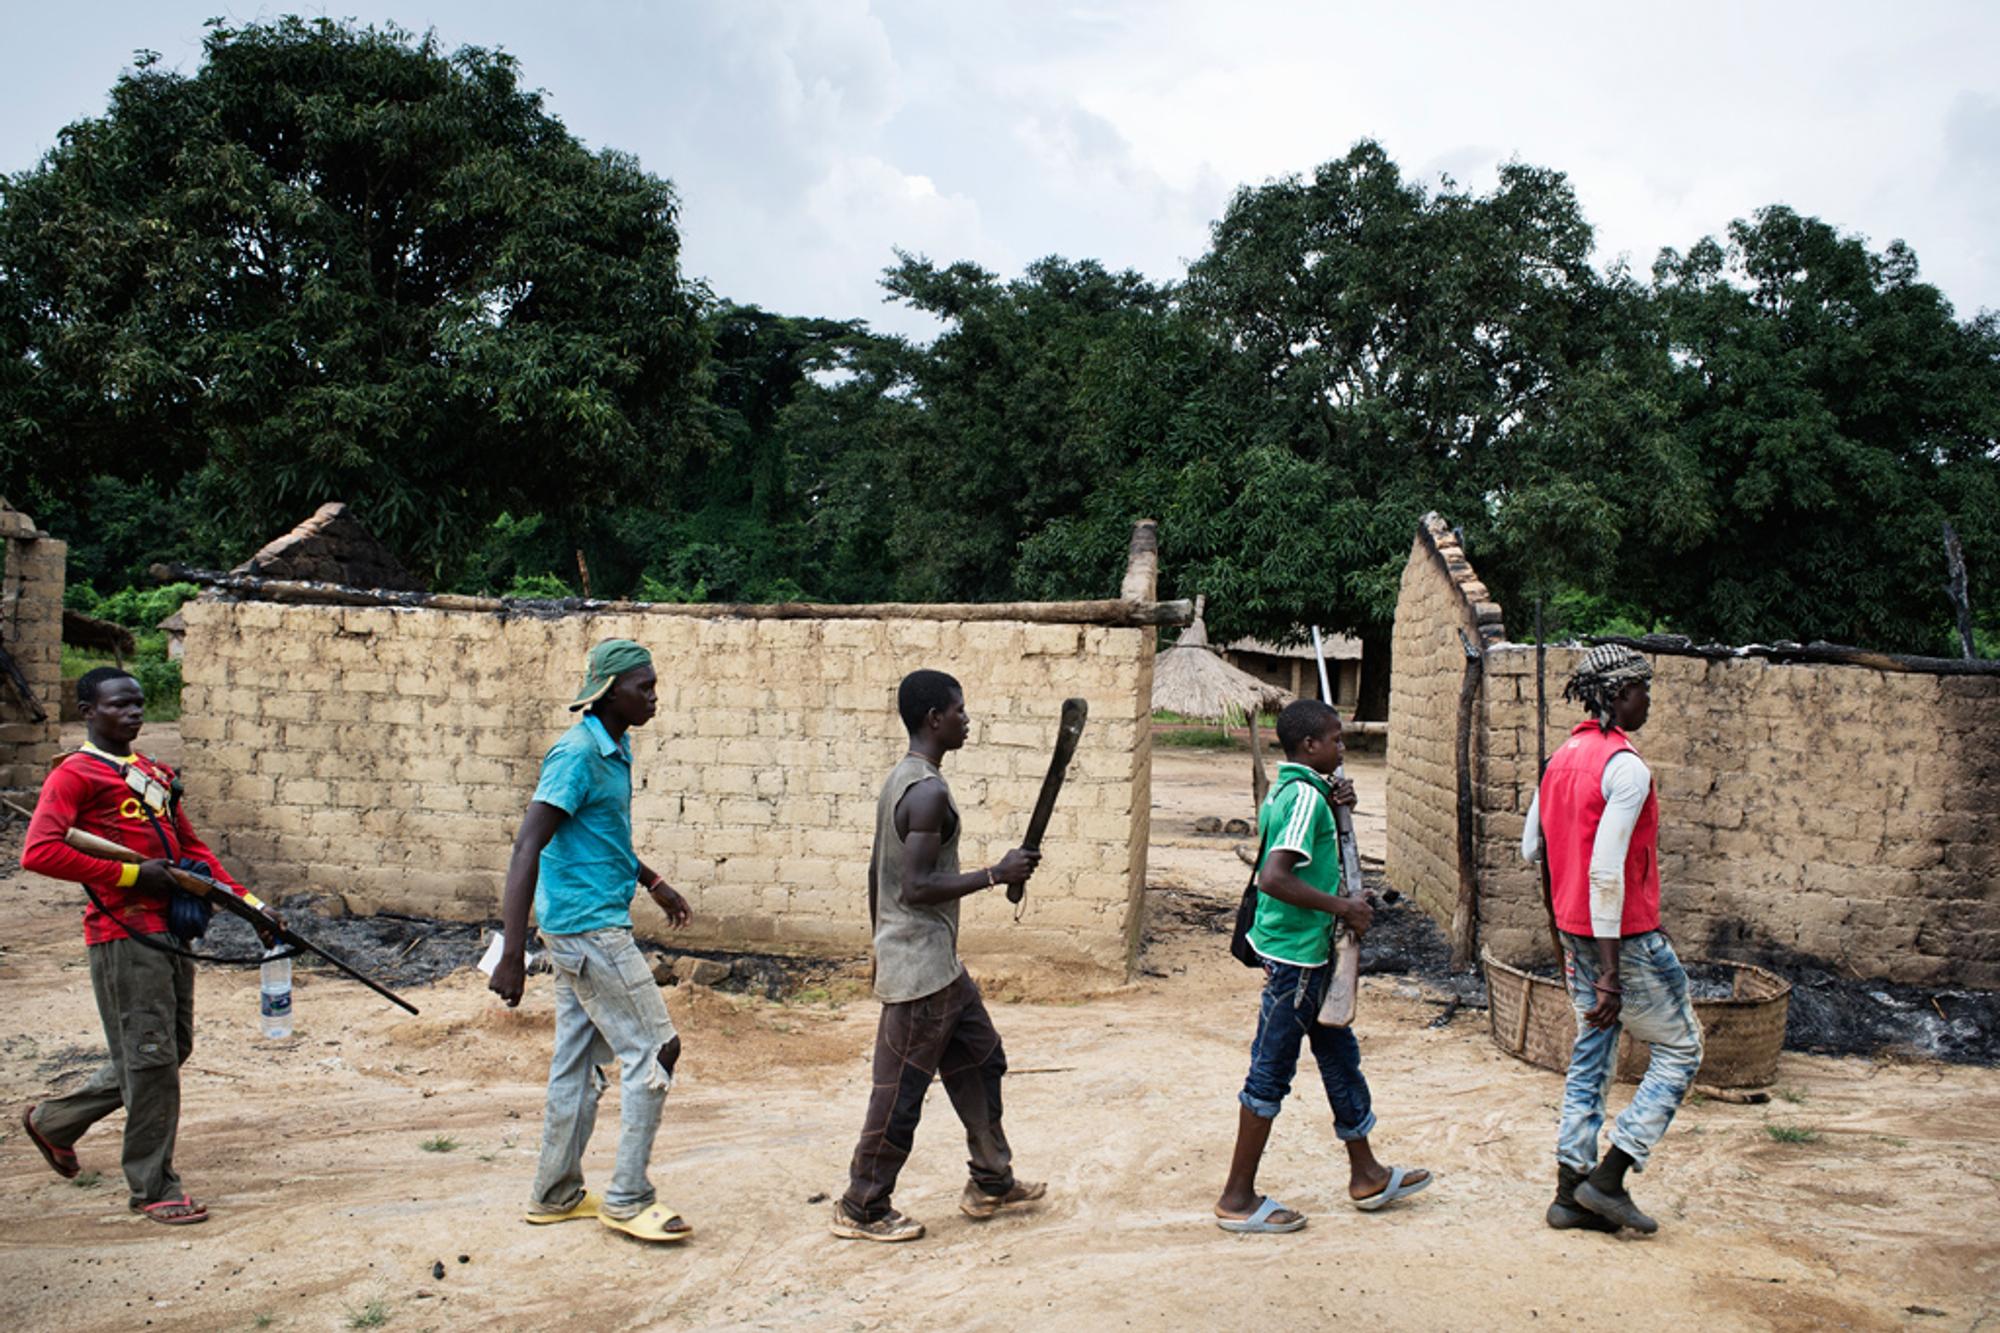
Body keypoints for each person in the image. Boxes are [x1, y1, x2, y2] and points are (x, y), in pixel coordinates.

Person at [19, 666, 268, 1225]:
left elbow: (192, 850)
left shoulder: (151, 772)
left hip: (172, 928)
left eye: (137, 703)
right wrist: (133, 875)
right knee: (152, 1058)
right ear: (88, 712)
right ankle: (154, 1187)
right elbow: (39, 851)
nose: (133, 712)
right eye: (118, 705)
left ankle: (55, 1122)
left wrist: (251, 905)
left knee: (168, 1049)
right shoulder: (75, 774)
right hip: (125, 932)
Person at [489, 638, 695, 1244]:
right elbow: (528, 845)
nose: (654, 697)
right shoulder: (577, 754)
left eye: (654, 685)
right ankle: (628, 1198)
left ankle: (553, 1194)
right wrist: (511, 953)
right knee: (656, 1049)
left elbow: (601, 836)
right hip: (589, 930)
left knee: (577, 1066)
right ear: (609, 692)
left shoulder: (615, 747)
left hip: (587, 923)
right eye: (643, 687)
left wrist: (651, 881)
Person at [831, 669, 1045, 1242]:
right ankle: (862, 1206)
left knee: (982, 1059)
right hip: (919, 972)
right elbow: (915, 886)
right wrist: (996, 874)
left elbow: (876, 874)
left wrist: (879, 941)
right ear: (934, 719)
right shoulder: (925, 792)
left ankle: (991, 1180)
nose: (966, 720)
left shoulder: (906, 780)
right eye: (959, 710)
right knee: (899, 1094)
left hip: (938, 966)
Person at [1213, 698, 1432, 1233]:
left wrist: (1339, 811)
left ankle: (1367, 1173)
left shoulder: (1296, 790)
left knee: (1338, 1054)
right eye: (1335, 739)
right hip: (1297, 958)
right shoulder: (1305, 798)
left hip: (1310, 952)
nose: (1342, 747)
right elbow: (1274, 877)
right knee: (1270, 1070)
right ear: (1309, 745)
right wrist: (1344, 908)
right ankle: (1237, 1197)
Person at [1523, 643, 1703, 1235]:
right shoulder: (1626, 767)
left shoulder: (1559, 758)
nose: (1648, 701)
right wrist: (1610, 973)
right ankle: (1610, 1177)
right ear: (1621, 694)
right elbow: (1605, 872)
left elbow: (1531, 848)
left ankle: (1569, 1192)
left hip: (1575, 933)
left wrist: (1571, 931)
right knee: (1681, 1050)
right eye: (1643, 691)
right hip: (1619, 941)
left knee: (1593, 1053)